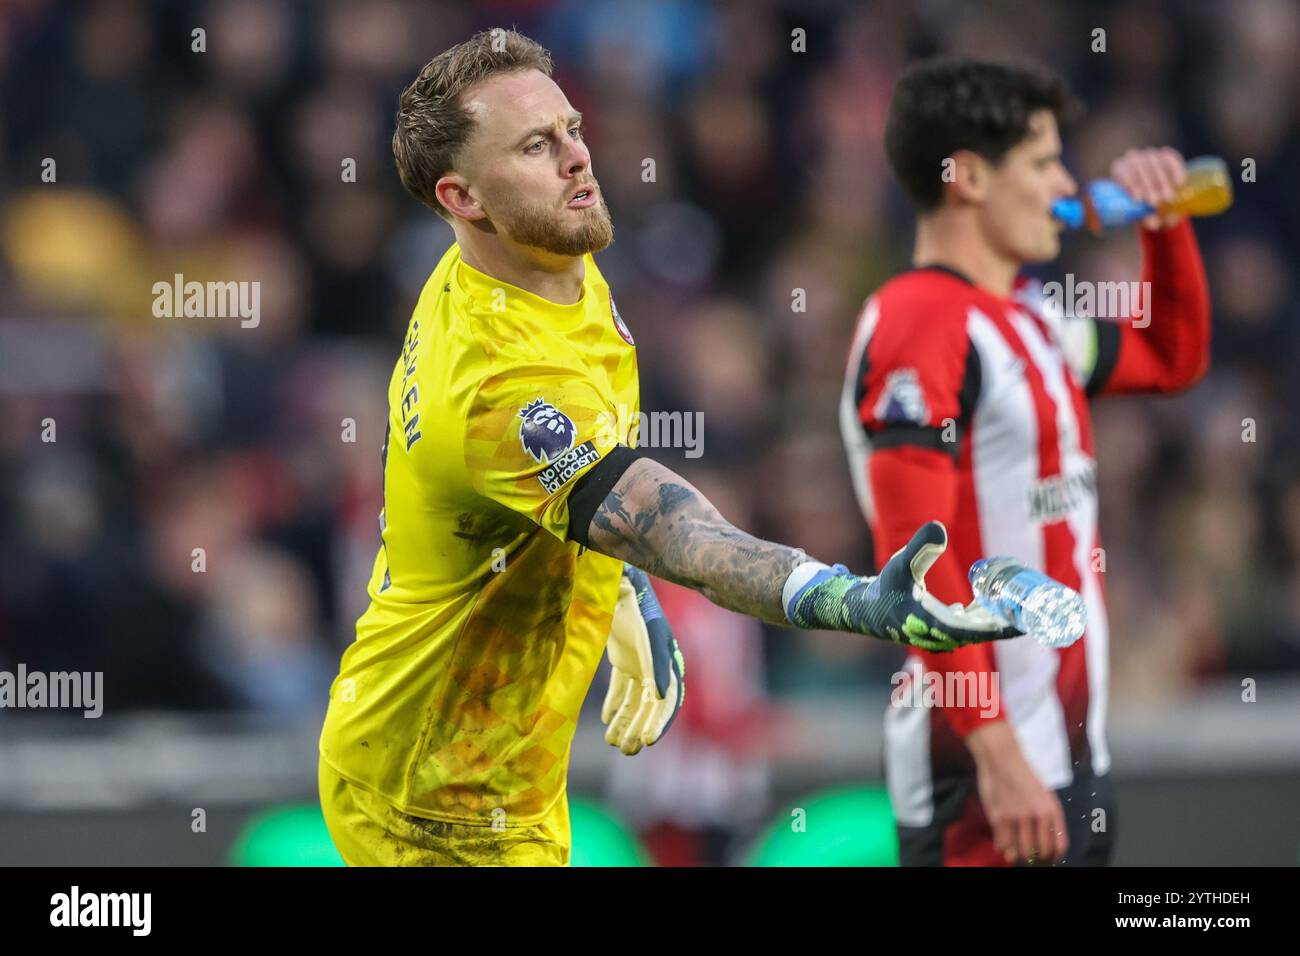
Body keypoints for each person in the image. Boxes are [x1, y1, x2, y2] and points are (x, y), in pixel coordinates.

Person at [318, 30, 1024, 867]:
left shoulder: (543, 256)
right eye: (537, 147)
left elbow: (550, 495)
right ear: (463, 198)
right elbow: (672, 529)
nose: (579, 159)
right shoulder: (494, 386)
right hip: (429, 797)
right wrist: (838, 595)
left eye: (571, 128)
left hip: (497, 769)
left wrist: (616, 593)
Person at [840, 56, 1210, 866]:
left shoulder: (1031, 321)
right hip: (982, 767)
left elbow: (1170, 356)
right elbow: (914, 562)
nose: (1063, 185)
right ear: (968, 176)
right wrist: (996, 751)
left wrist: (1165, 224)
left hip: (1066, 751)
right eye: (1043, 162)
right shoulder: (918, 324)